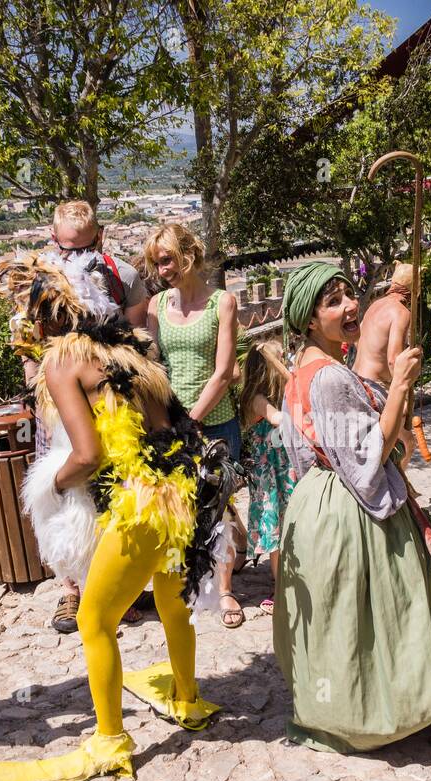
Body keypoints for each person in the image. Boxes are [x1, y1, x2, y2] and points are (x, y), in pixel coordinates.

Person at [0, 251, 233, 781]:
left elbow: (88, 453)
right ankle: (189, 700)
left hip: (140, 504)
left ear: (45, 318)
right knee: (173, 605)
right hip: (187, 493)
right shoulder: (132, 351)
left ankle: (109, 740)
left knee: (94, 618)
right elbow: (177, 427)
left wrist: (48, 487)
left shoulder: (61, 363)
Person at [273, 262, 431, 753]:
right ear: (308, 319)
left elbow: (305, 454)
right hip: (352, 512)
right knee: (400, 603)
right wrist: (402, 385)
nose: (351, 308)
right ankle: (425, 710)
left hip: (314, 505)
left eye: (350, 295)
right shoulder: (328, 379)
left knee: (343, 617)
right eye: (334, 302)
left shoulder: (299, 374)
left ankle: (345, 706)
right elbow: (366, 462)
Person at [12, 200, 150, 634]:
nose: (71, 256)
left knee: (110, 488)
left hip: (109, 396)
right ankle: (71, 589)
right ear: (52, 238)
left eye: (82, 246)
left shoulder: (122, 276)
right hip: (55, 397)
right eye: (64, 246)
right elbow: (25, 339)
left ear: (99, 238)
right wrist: (37, 389)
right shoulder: (36, 282)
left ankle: (114, 584)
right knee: (65, 492)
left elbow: (139, 340)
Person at [143, 223, 244, 629]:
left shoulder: (223, 303)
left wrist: (192, 421)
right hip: (170, 423)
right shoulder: (156, 306)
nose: (161, 269)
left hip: (216, 423)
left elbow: (223, 373)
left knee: (218, 507)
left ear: (188, 253)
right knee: (179, 507)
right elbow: (151, 366)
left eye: (166, 259)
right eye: (156, 262)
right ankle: (180, 584)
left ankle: (224, 590)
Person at [239, 339, 296, 612]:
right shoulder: (257, 400)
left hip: (283, 473)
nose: (287, 363)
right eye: (282, 360)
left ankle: (292, 581)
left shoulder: (273, 398)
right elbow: (279, 421)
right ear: (269, 369)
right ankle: (280, 588)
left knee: (289, 527)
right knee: (275, 531)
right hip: (269, 479)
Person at [352, 262, 413, 386]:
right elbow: (393, 360)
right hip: (376, 385)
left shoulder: (375, 304)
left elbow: (357, 340)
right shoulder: (401, 312)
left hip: (356, 378)